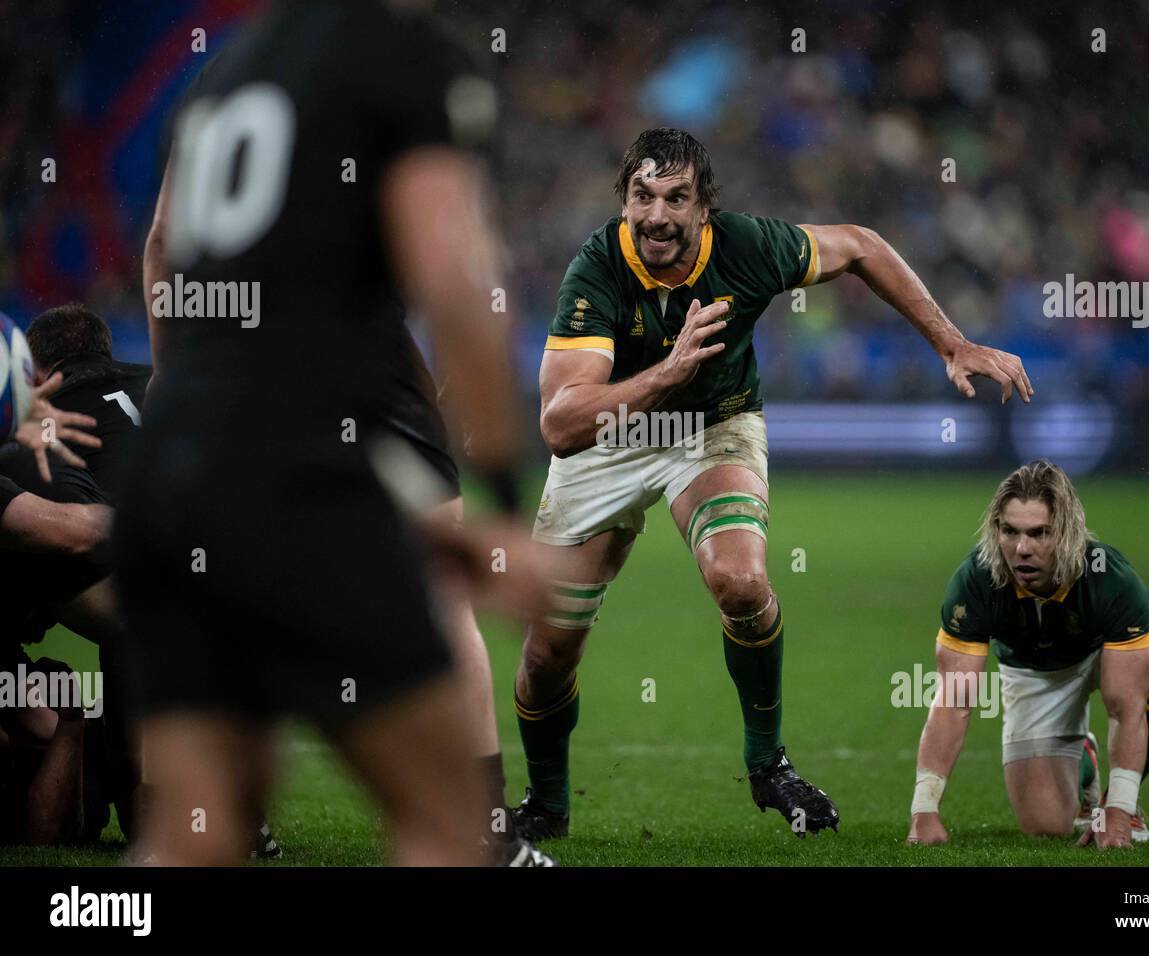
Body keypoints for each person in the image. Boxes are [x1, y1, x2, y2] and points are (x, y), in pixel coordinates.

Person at [513, 126, 1032, 840]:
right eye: (642, 196)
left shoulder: (750, 246)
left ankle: (769, 765)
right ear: (623, 200)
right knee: (548, 652)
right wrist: (669, 371)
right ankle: (546, 803)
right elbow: (561, 425)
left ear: (705, 209)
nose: (657, 215)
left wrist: (953, 342)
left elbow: (862, 246)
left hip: (713, 430)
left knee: (743, 583)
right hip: (611, 438)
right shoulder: (598, 268)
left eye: (676, 198)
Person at [116, 0, 542, 866]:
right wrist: (501, 495)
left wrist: (185, 401)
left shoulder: (224, 71)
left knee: (193, 835)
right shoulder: (405, 56)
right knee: (447, 827)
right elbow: (456, 283)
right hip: (302, 454)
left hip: (168, 463)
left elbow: (161, 244)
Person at [907, 460, 1149, 849]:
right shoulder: (977, 580)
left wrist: (1119, 810)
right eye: (1010, 531)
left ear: (1068, 532)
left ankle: (1115, 799)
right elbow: (953, 702)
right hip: (1036, 670)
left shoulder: (1109, 577)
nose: (1022, 549)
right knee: (1046, 824)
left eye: (1039, 533)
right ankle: (1084, 762)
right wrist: (924, 810)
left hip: (1111, 647)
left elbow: (1126, 709)